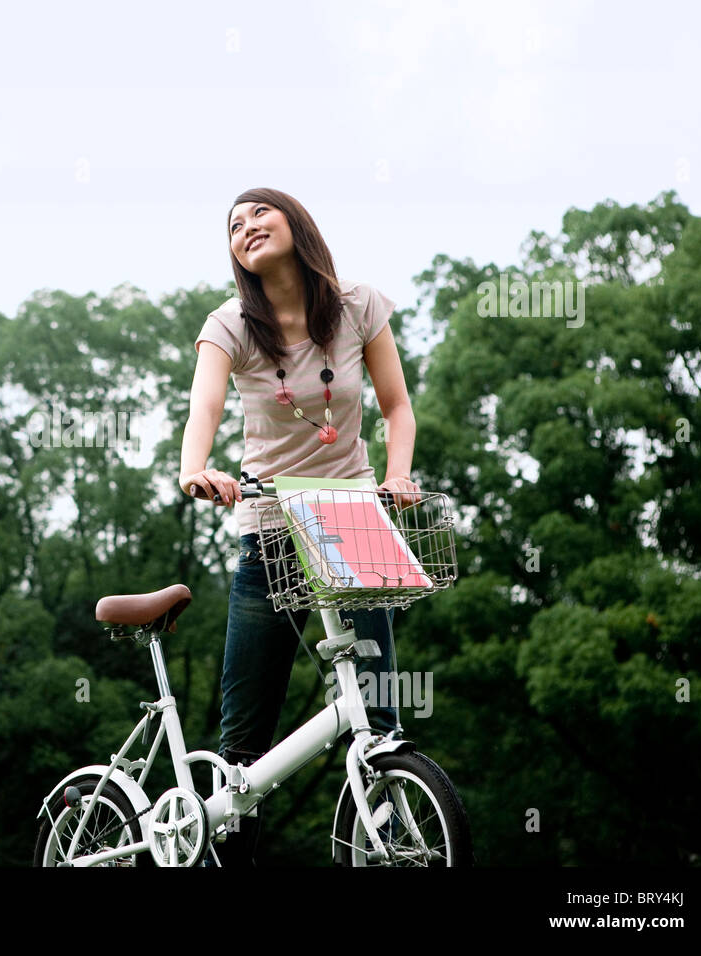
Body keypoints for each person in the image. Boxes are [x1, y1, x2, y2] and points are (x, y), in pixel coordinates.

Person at [178, 187, 422, 867]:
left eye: (260, 213)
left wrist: (397, 474)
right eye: (233, 224)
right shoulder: (229, 324)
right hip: (271, 525)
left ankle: (395, 847)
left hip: (354, 521)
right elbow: (205, 407)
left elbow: (397, 408)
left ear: (295, 224)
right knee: (244, 746)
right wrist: (194, 467)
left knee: (380, 721)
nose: (246, 226)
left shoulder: (359, 306)